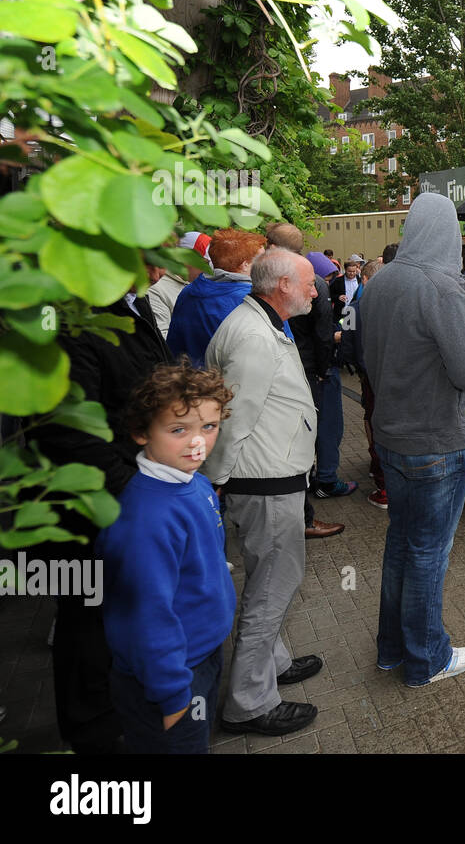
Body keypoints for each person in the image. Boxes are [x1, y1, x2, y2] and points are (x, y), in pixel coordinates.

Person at [32, 279, 170, 754]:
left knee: (123, 617)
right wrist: (134, 492)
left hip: (130, 496)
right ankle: (95, 738)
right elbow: (69, 432)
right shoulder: (75, 318)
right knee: (87, 628)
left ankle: (127, 715)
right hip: (92, 512)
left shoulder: (134, 305)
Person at [360, 192, 465, 686]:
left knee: (401, 545)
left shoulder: (380, 281)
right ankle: (427, 657)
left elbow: (368, 358)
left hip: (392, 436)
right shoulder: (442, 286)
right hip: (437, 442)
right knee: (429, 552)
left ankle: (392, 647)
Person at [206, 248, 323, 737]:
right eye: (308, 282)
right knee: (271, 588)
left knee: (267, 578)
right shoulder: (254, 335)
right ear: (281, 287)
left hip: (269, 476)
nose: (316, 289)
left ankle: (271, 663)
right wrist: (214, 481)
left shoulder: (260, 321)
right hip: (264, 481)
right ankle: (249, 702)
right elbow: (233, 418)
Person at [98, 363, 237, 753]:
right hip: (171, 678)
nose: (197, 443)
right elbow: (144, 617)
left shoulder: (197, 483)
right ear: (142, 433)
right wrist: (173, 694)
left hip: (202, 655)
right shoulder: (145, 520)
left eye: (208, 427)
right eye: (178, 430)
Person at [264, 222, 349, 537]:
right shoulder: (309, 282)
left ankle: (307, 488)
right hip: (312, 369)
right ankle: (325, 481)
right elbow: (324, 334)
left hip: (286, 367)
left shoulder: (262, 281)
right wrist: (325, 369)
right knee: (326, 427)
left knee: (293, 433)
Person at [166, 229, 266, 367]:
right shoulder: (253, 301)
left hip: (182, 380)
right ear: (244, 264)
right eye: (262, 261)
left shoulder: (188, 291)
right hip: (224, 384)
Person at [339, 257, 388, 509]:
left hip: (368, 376)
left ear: (365, 279)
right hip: (394, 377)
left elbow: (346, 347)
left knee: (372, 421)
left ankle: (382, 482)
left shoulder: (352, 309)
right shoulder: (396, 306)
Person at [329, 254, 363, 319]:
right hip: (341, 314)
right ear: (345, 270)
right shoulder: (338, 281)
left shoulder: (360, 281)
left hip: (357, 313)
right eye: (349, 271)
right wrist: (338, 297)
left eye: (354, 271)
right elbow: (329, 295)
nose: (352, 273)